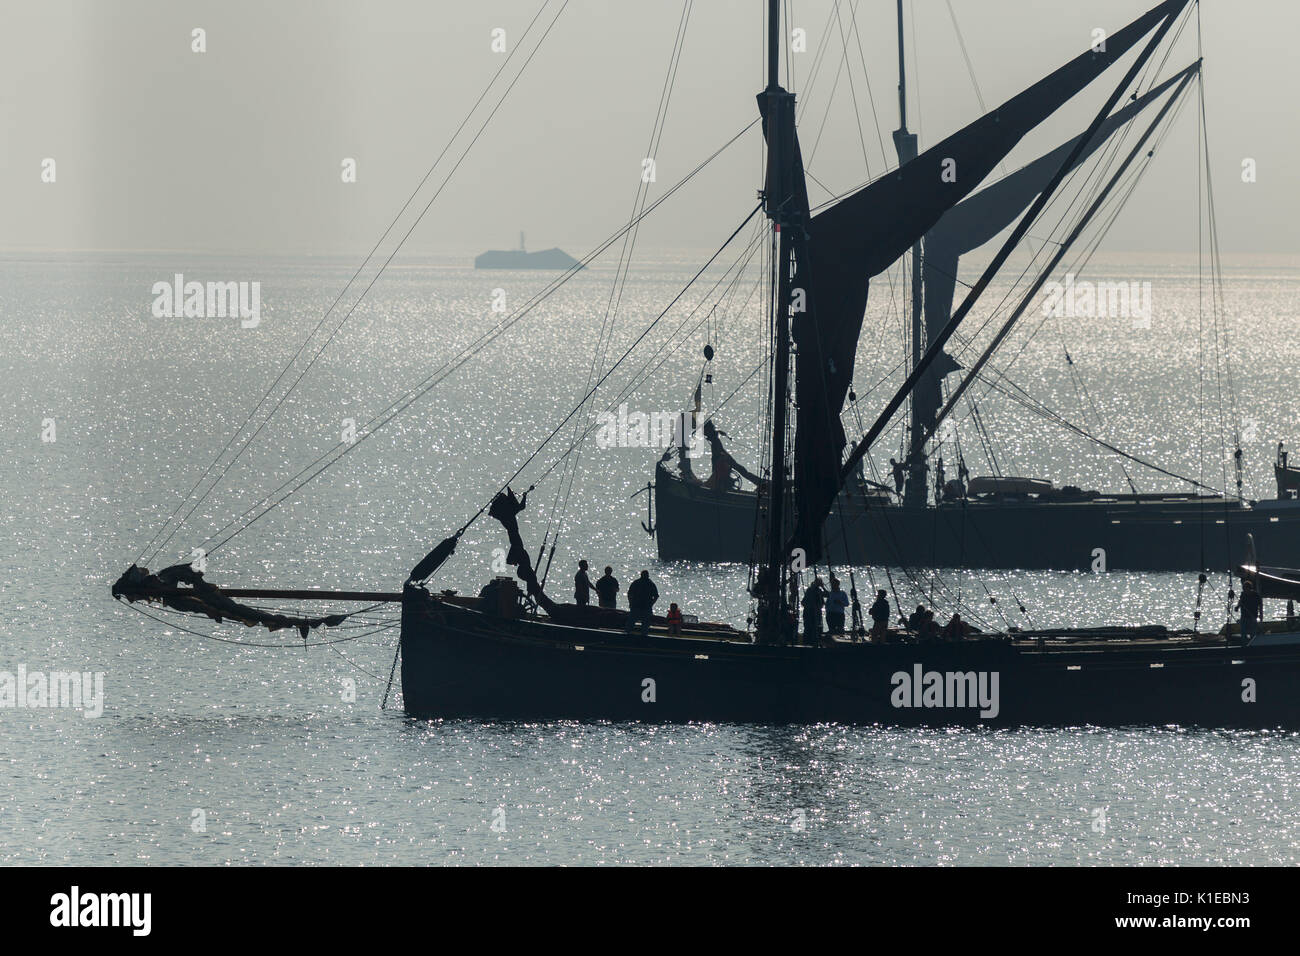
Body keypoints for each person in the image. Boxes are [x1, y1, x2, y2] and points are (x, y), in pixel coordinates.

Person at [626, 570, 659, 636]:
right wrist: (651, 604)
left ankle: (627, 636)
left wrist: (630, 602)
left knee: (631, 623)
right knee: (644, 625)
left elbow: (630, 594)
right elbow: (656, 596)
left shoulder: (636, 582)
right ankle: (643, 637)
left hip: (638, 606)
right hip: (644, 607)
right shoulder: (650, 584)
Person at [801, 577, 828, 645]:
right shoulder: (810, 590)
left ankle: (814, 642)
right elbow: (804, 602)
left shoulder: (819, 591)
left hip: (816, 613)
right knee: (808, 628)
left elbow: (828, 594)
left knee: (816, 628)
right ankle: (807, 642)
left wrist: (823, 587)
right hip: (809, 612)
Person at [1237, 579, 1263, 645]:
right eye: (1244, 589)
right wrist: (1237, 607)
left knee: (1253, 634)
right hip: (1244, 617)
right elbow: (1240, 602)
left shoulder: (1256, 595)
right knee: (1243, 633)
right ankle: (1244, 645)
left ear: (1249, 588)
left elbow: (1260, 606)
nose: (1245, 590)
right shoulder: (1243, 595)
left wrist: (1261, 615)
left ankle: (1253, 646)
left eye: (1246, 589)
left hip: (1253, 617)